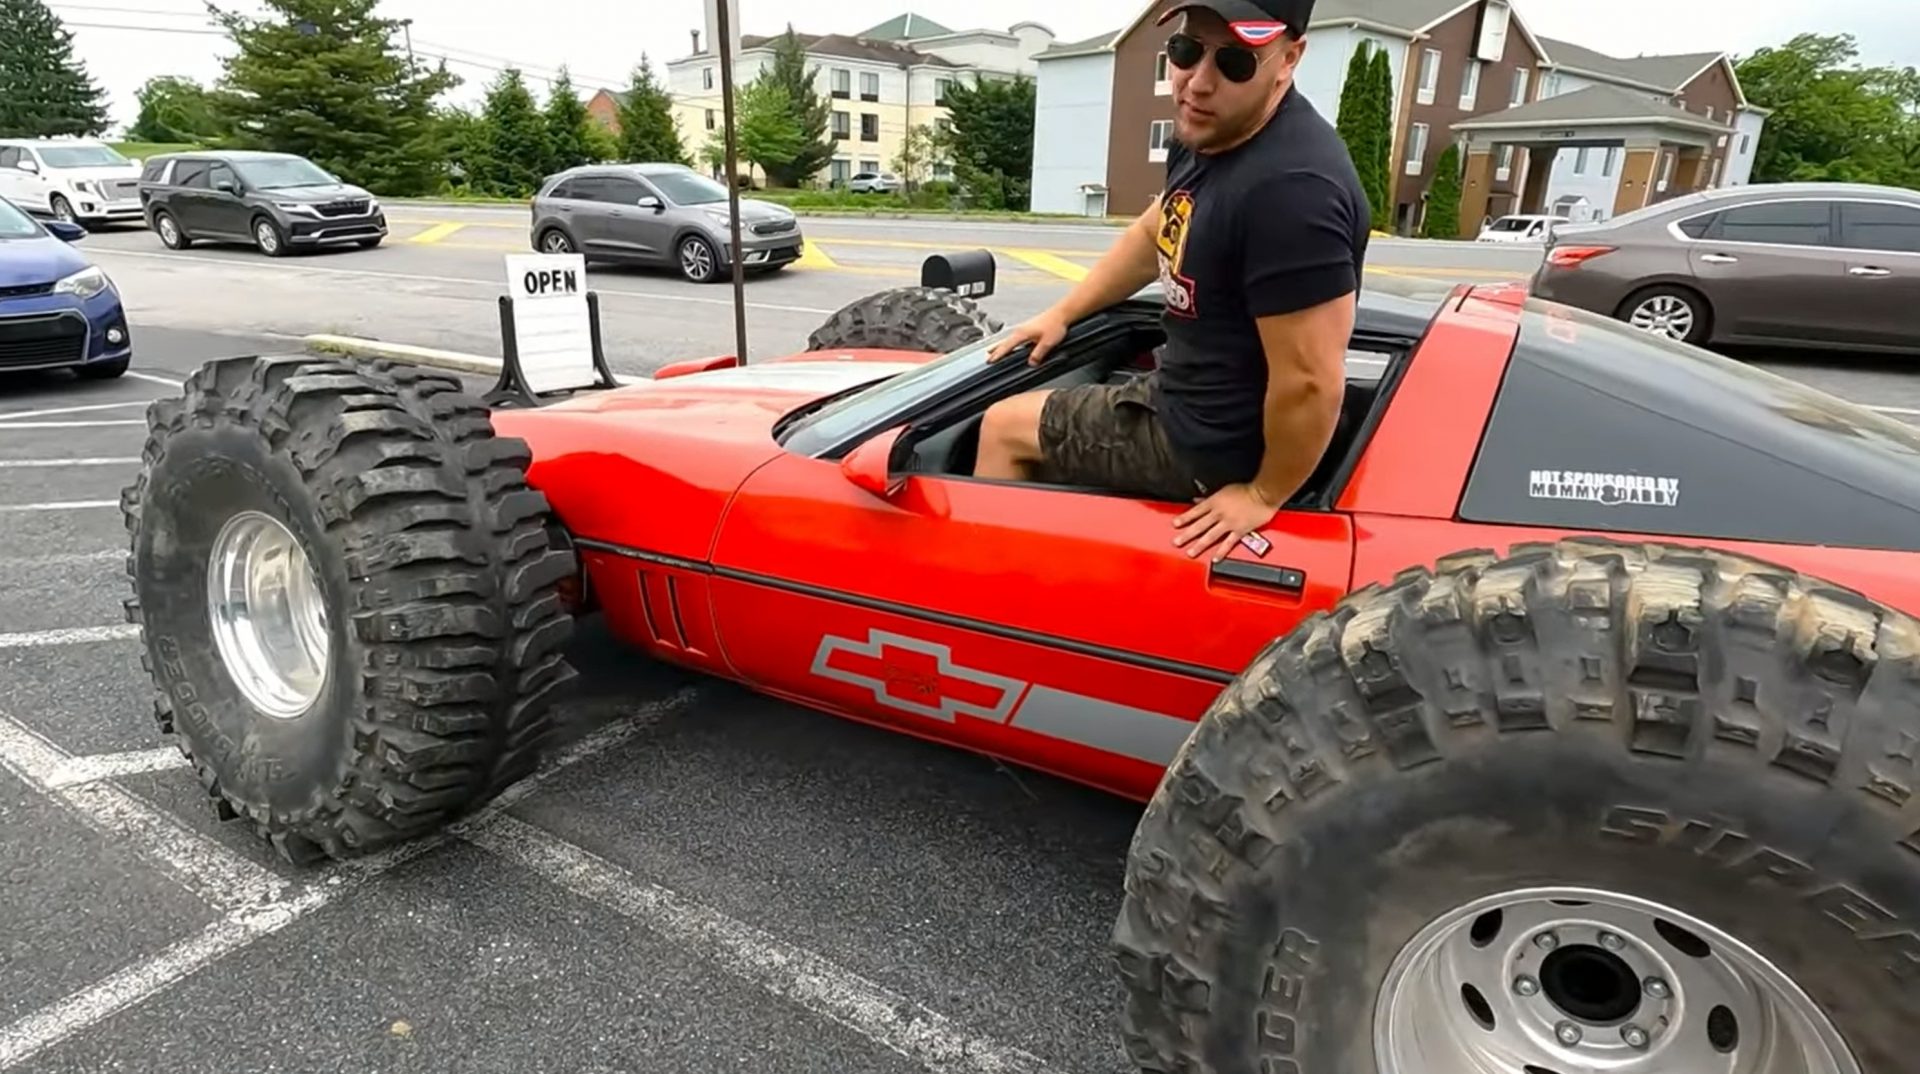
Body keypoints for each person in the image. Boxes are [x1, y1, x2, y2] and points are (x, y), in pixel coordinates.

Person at [973, 0, 1368, 563]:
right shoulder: (1208, 132)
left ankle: (990, 599)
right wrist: (1062, 313)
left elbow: (1311, 380)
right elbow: (1161, 225)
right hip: (1188, 397)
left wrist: (1262, 493)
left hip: (1206, 442)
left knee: (1003, 426)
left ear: (1289, 59)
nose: (1197, 84)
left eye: (1234, 62)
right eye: (1185, 51)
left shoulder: (1291, 192)